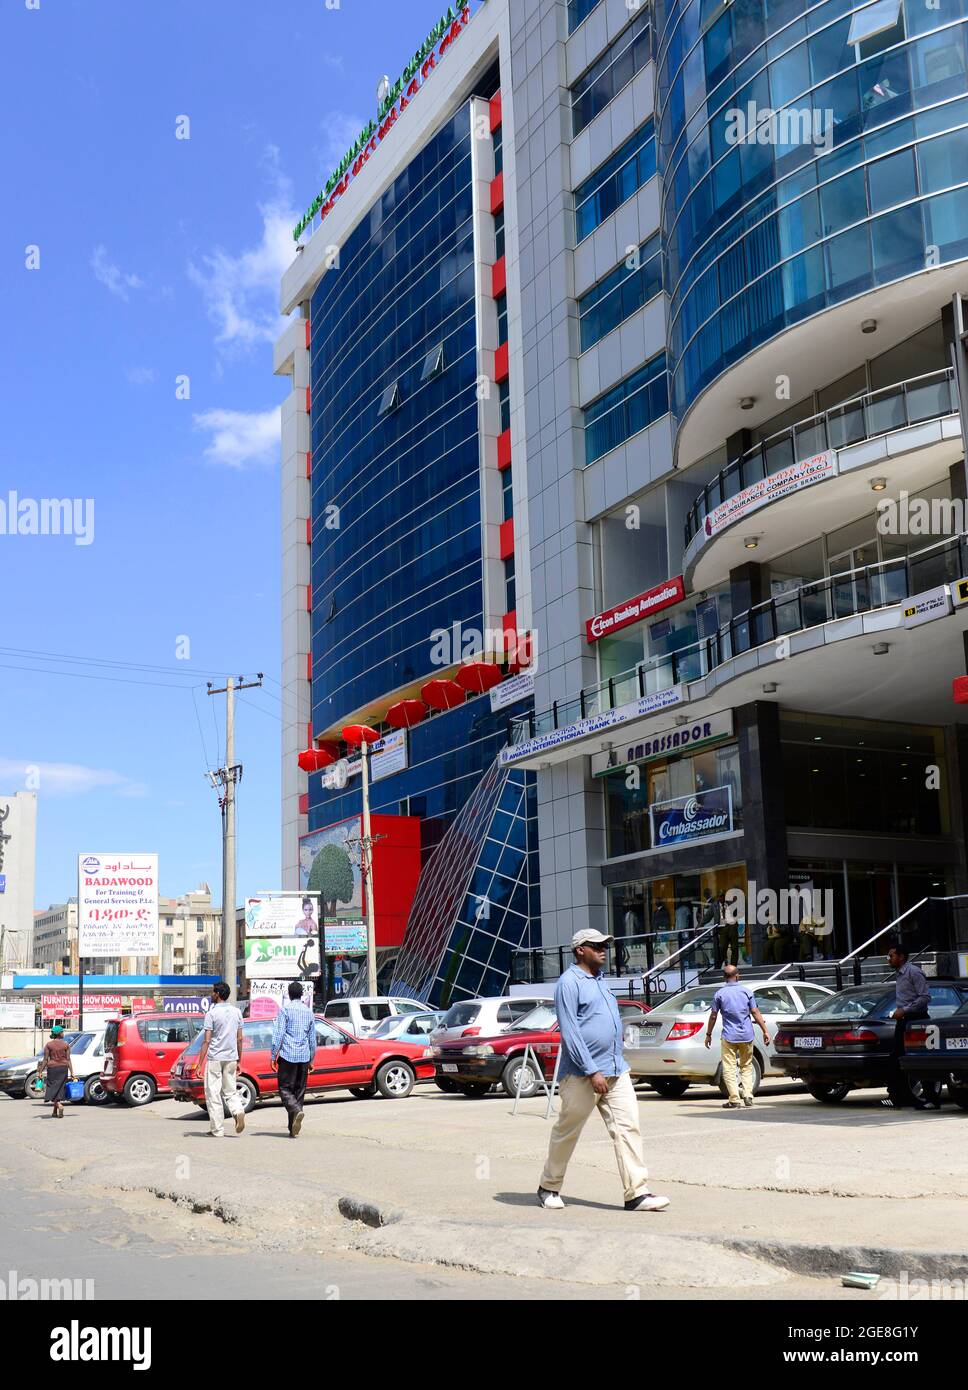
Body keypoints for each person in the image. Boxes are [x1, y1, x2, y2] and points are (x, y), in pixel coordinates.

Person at [537, 929, 669, 1213]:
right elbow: (571, 1033)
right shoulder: (568, 983)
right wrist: (592, 1071)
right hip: (583, 1074)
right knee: (568, 1131)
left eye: (605, 945)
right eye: (596, 946)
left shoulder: (601, 981)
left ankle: (637, 1194)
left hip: (616, 1070)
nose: (603, 950)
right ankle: (549, 1186)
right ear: (580, 950)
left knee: (628, 1128)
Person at [704, 965, 771, 1108]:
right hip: (747, 1035)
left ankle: (734, 1099)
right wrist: (765, 1030)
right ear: (738, 976)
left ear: (724, 977)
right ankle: (748, 1095)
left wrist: (708, 1034)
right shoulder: (746, 992)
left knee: (729, 1068)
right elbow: (755, 1011)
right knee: (746, 1065)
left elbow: (713, 1016)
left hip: (729, 1036)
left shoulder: (719, 994)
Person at [887, 941, 935, 1109]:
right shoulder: (899, 974)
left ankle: (931, 1099)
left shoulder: (914, 972)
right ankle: (898, 1096)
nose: (888, 959)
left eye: (891, 955)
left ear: (901, 957)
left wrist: (905, 1010)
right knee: (897, 1058)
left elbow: (924, 997)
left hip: (917, 1019)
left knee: (921, 1059)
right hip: (904, 1020)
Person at [196, 981, 246, 1137]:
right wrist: (239, 1060)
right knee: (230, 1090)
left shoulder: (211, 1014)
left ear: (217, 994)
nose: (211, 995)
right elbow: (239, 1039)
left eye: (213, 992)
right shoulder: (237, 1012)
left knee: (213, 1093)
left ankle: (217, 1130)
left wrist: (199, 1064)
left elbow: (207, 1041)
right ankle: (238, 1111)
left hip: (215, 1058)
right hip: (231, 1057)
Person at [270, 981, 317, 1137]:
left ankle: (296, 1111)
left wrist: (273, 1055)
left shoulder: (285, 1010)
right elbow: (312, 1039)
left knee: (284, 1088)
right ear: (301, 994)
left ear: (289, 995)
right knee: (299, 1092)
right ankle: (293, 1129)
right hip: (304, 1057)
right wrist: (311, 1060)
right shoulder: (308, 1012)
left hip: (288, 1056)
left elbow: (278, 1034)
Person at [38, 1024, 75, 1118]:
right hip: (63, 1069)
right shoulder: (66, 1044)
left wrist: (40, 1071)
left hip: (53, 1068)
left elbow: (45, 1059)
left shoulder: (49, 1045)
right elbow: (68, 1059)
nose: (64, 1033)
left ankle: (58, 1105)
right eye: (62, 1031)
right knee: (59, 1089)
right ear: (59, 1033)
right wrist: (72, 1072)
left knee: (52, 1088)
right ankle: (55, 1112)